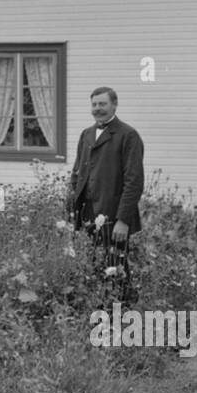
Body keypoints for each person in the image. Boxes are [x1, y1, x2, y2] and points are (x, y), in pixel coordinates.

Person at [68, 87, 145, 297]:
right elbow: (77, 174)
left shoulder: (128, 136)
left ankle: (124, 310)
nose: (97, 109)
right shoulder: (86, 134)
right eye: (94, 104)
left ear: (114, 105)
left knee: (116, 266)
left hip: (112, 215)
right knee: (90, 265)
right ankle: (98, 308)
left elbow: (134, 181)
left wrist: (123, 220)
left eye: (102, 104)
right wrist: (70, 211)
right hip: (87, 213)